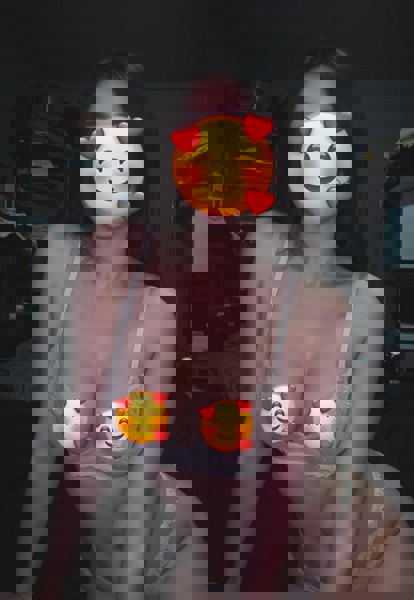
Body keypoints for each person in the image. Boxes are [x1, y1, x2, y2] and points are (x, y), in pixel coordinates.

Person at [10, 51, 207, 600]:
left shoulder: (157, 294)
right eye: (95, 145)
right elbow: (46, 433)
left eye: (120, 147)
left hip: (145, 517)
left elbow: (145, 436)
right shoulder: (57, 267)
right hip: (80, 503)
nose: (106, 163)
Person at [227, 48, 414, 592]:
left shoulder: (366, 300)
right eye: (305, 133)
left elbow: (350, 450)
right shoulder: (260, 261)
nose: (317, 152)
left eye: (332, 135)